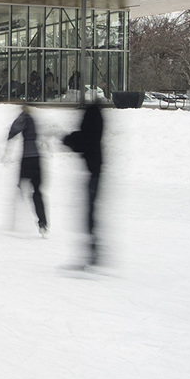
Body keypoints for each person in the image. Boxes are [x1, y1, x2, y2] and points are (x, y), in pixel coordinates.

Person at [62, 99, 104, 268]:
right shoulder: (96, 116)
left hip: (94, 171)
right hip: (94, 170)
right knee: (89, 214)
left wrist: (69, 140)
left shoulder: (92, 118)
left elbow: (85, 141)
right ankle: (92, 252)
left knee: (89, 214)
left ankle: (94, 253)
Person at [7, 104, 48, 236]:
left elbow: (14, 129)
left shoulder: (24, 117)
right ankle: (43, 223)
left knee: (19, 188)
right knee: (37, 192)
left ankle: (15, 221)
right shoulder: (33, 120)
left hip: (27, 159)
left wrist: (9, 139)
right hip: (37, 159)